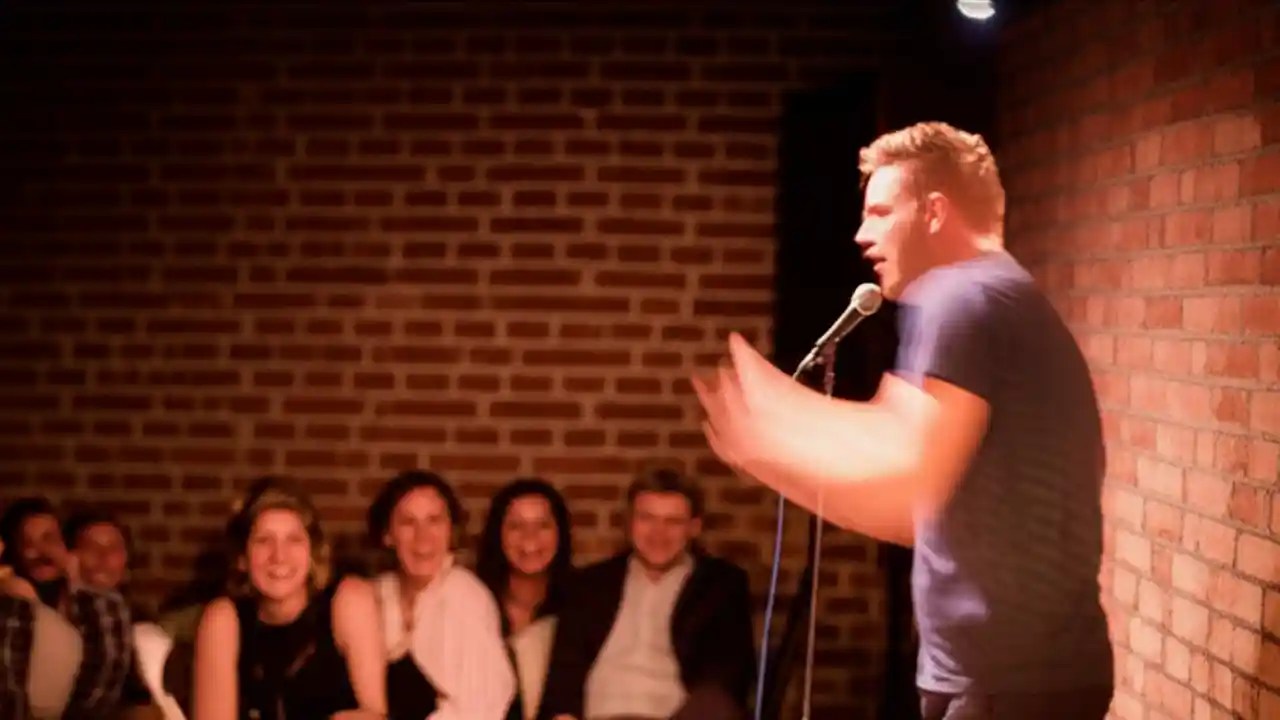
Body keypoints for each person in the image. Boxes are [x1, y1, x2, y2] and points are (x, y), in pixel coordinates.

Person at [693, 121, 1113, 720]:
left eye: (883, 211)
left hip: (1009, 680)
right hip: (1007, 674)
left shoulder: (960, 299)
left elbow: (904, 489)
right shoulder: (995, 295)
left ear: (936, 212)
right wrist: (782, 441)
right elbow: (918, 503)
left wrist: (775, 435)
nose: (863, 234)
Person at [537, 467, 755, 720]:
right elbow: (564, 673)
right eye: (646, 518)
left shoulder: (720, 586)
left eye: (672, 521)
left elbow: (727, 677)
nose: (658, 533)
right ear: (629, 523)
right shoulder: (590, 584)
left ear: (694, 527)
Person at [192, 477, 387, 720]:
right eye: (264, 541)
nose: (279, 556)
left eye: (293, 540)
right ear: (242, 557)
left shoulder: (349, 599)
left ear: (312, 552)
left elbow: (375, 716)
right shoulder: (223, 618)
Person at [367, 469, 516, 720]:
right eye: (407, 522)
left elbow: (481, 710)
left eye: (434, 520)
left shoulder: (466, 598)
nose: (423, 537)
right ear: (388, 535)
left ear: (451, 531)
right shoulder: (375, 595)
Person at [475, 478, 575, 720]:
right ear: (498, 535)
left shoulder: (580, 606)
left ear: (560, 534)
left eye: (543, 525)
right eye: (516, 526)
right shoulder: (473, 602)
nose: (530, 537)